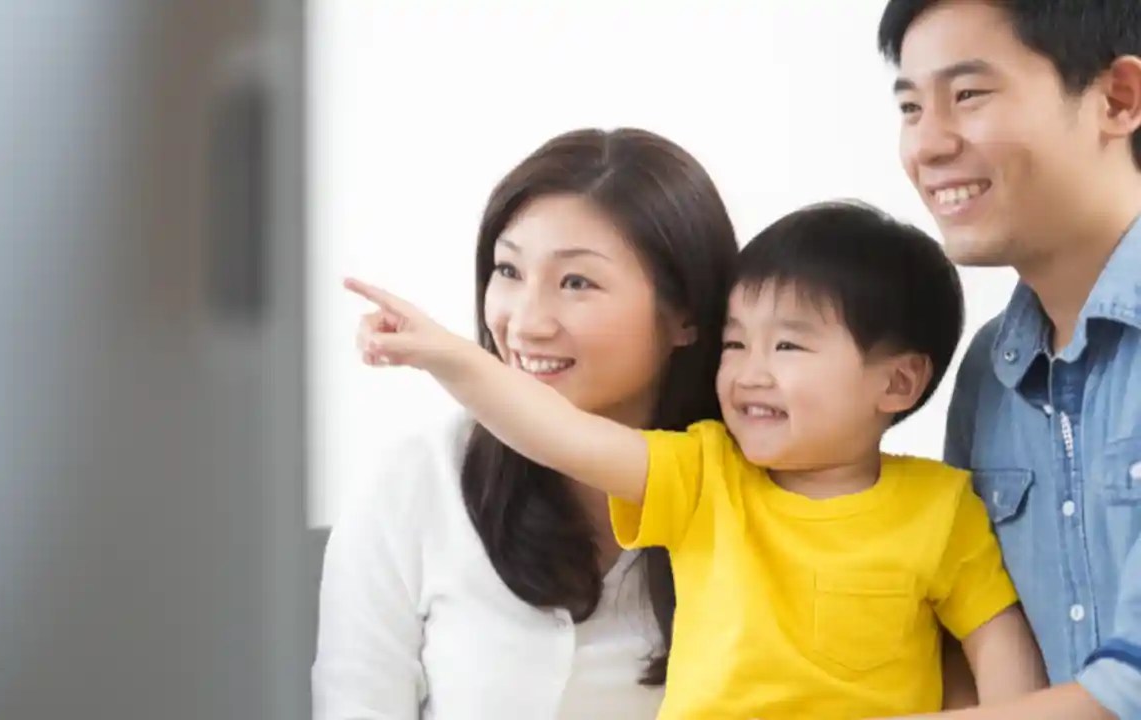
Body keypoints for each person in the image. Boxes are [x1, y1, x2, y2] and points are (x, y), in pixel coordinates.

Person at [345, 200, 1048, 718]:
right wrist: (445, 355)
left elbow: (999, 647)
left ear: (896, 382)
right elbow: (557, 433)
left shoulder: (941, 506)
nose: (748, 373)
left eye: (789, 347)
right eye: (736, 344)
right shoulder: (706, 473)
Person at [311, 127, 739, 719]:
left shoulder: (753, 494)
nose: (526, 322)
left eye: (576, 283)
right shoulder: (414, 483)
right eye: (508, 271)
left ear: (685, 315)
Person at [878, 1, 1141, 717]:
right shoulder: (990, 371)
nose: (927, 146)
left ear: (1118, 99)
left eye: (968, 95)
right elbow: (971, 628)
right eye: (909, 107)